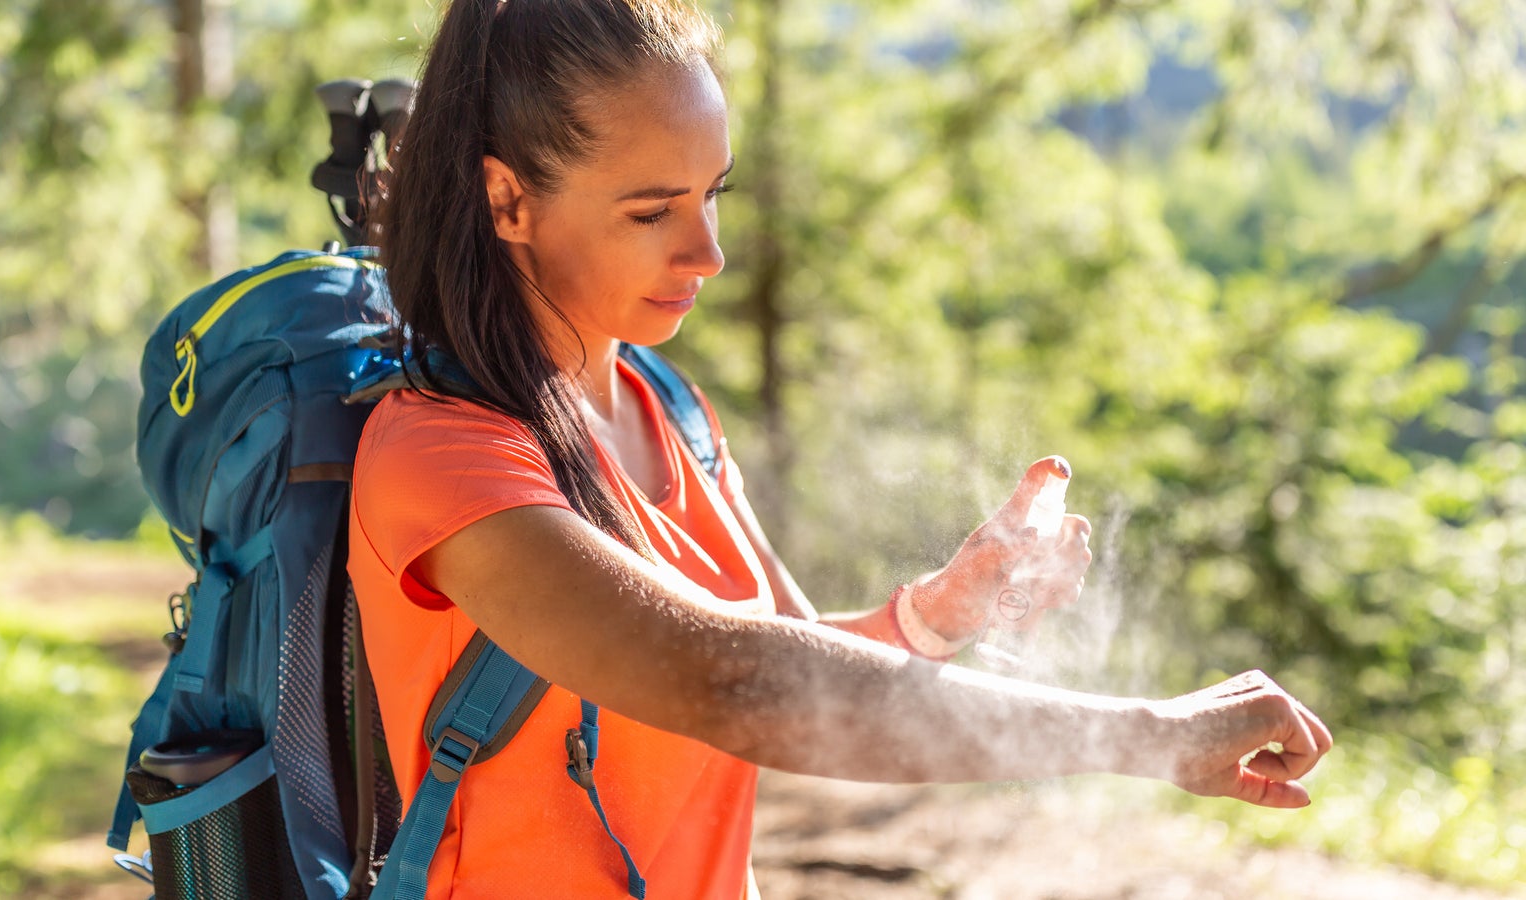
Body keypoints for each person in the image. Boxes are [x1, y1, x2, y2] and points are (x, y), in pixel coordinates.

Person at [346, 0, 1333, 896]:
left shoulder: (666, 408)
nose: (707, 253)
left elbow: (804, 680)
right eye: (651, 212)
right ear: (506, 202)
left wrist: (937, 615)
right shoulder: (442, 453)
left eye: (710, 195)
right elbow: (728, 682)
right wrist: (1143, 734)